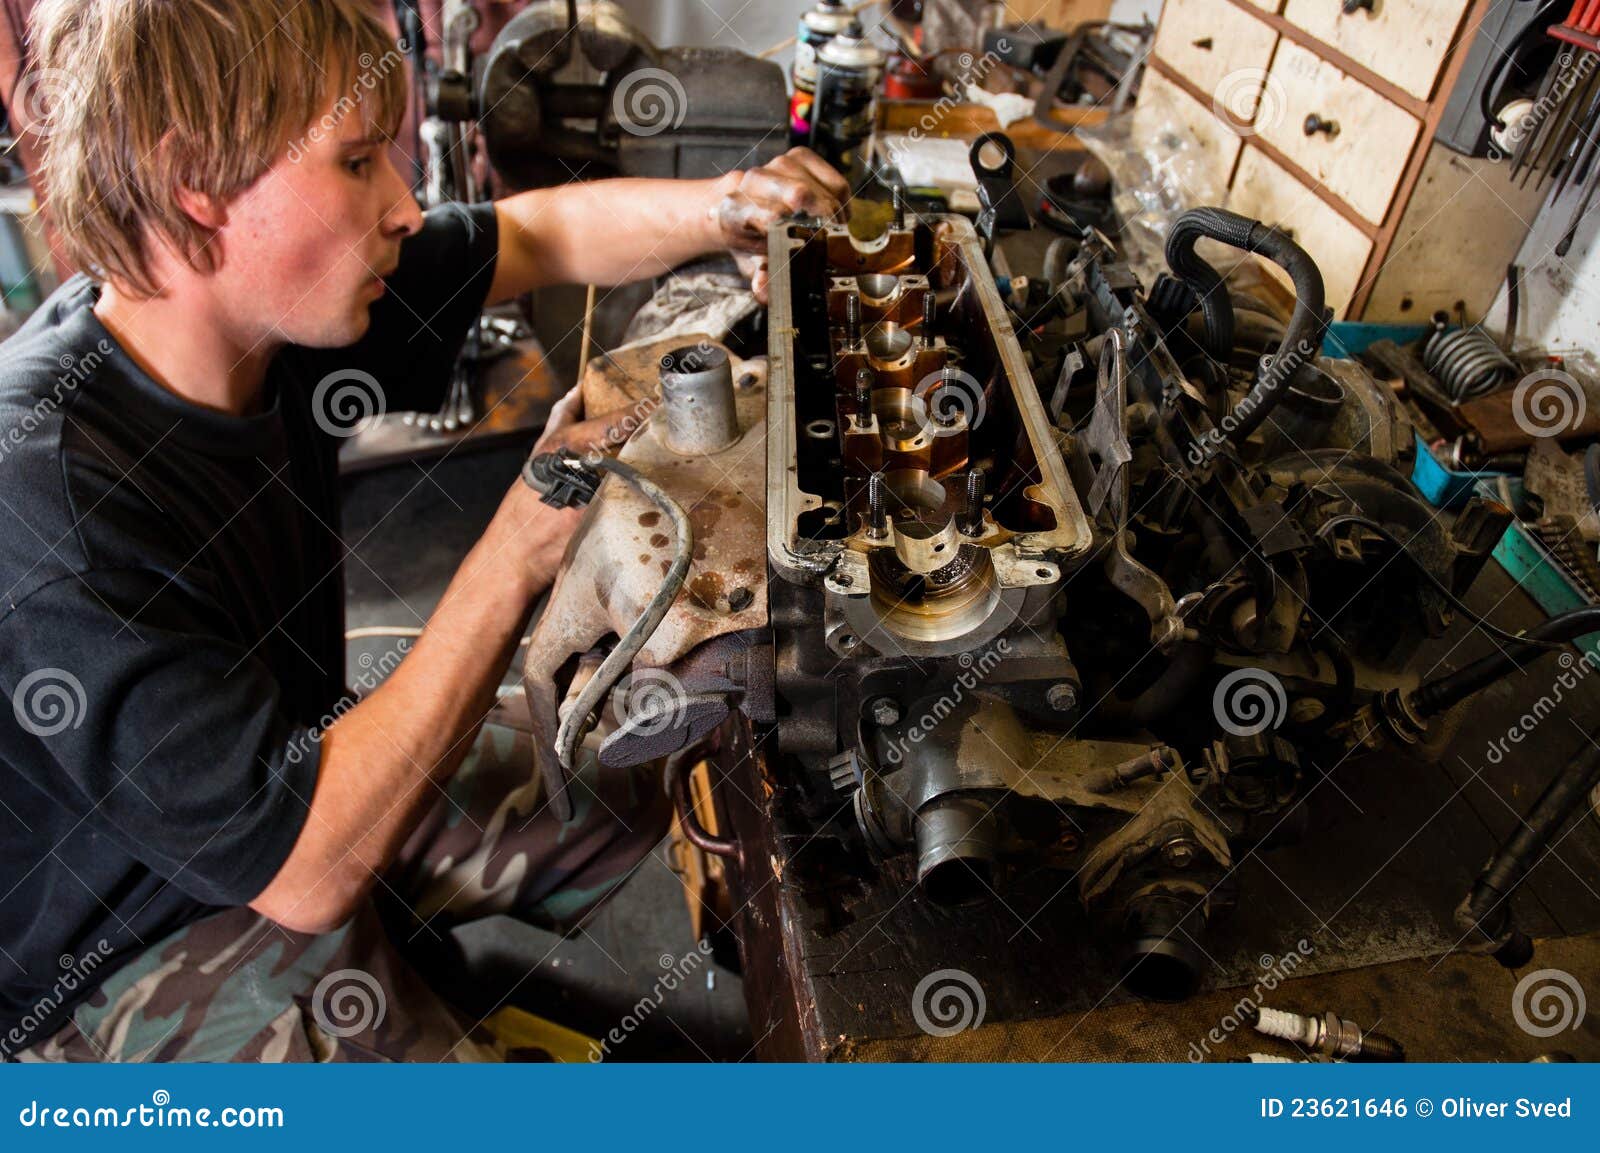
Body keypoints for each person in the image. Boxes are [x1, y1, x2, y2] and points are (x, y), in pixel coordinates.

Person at [0, 0, 846, 1061]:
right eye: (358, 162)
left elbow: (540, 235)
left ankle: (401, 951)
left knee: (634, 739)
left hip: (288, 784)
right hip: (125, 956)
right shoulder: (45, 498)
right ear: (196, 181)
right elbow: (305, 869)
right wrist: (519, 546)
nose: (404, 205)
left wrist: (735, 207)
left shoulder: (264, 310)